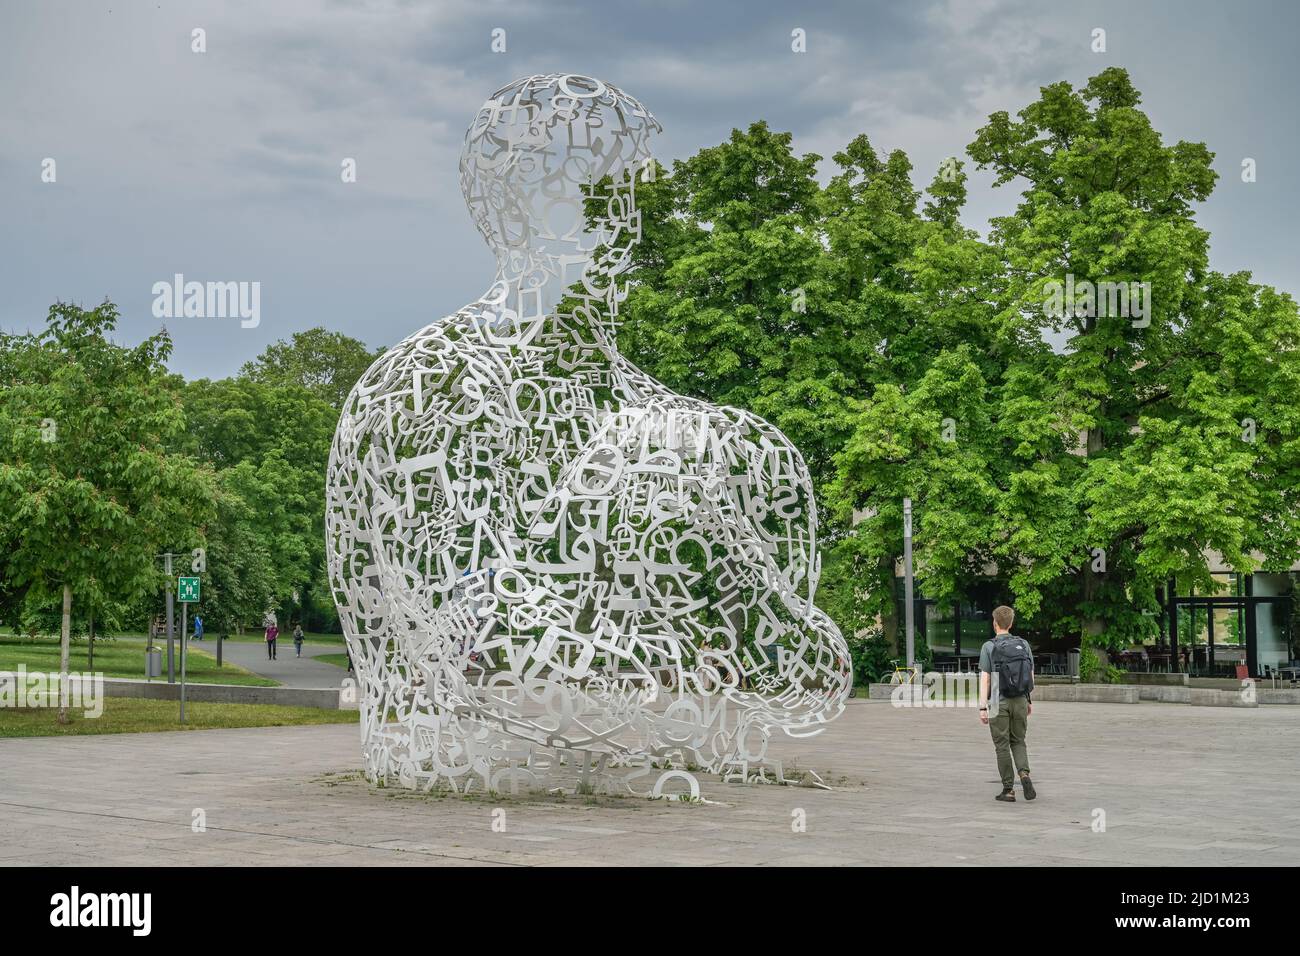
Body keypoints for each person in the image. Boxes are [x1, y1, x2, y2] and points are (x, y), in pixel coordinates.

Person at [978, 605, 1036, 803]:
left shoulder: (988, 647)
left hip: (997, 701)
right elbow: (1030, 676)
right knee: (1018, 741)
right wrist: (1028, 699)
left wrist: (982, 707)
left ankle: (1008, 790)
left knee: (1001, 745)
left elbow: (985, 679)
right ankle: (1024, 774)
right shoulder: (1024, 644)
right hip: (1020, 699)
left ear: (995, 624)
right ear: (1011, 623)